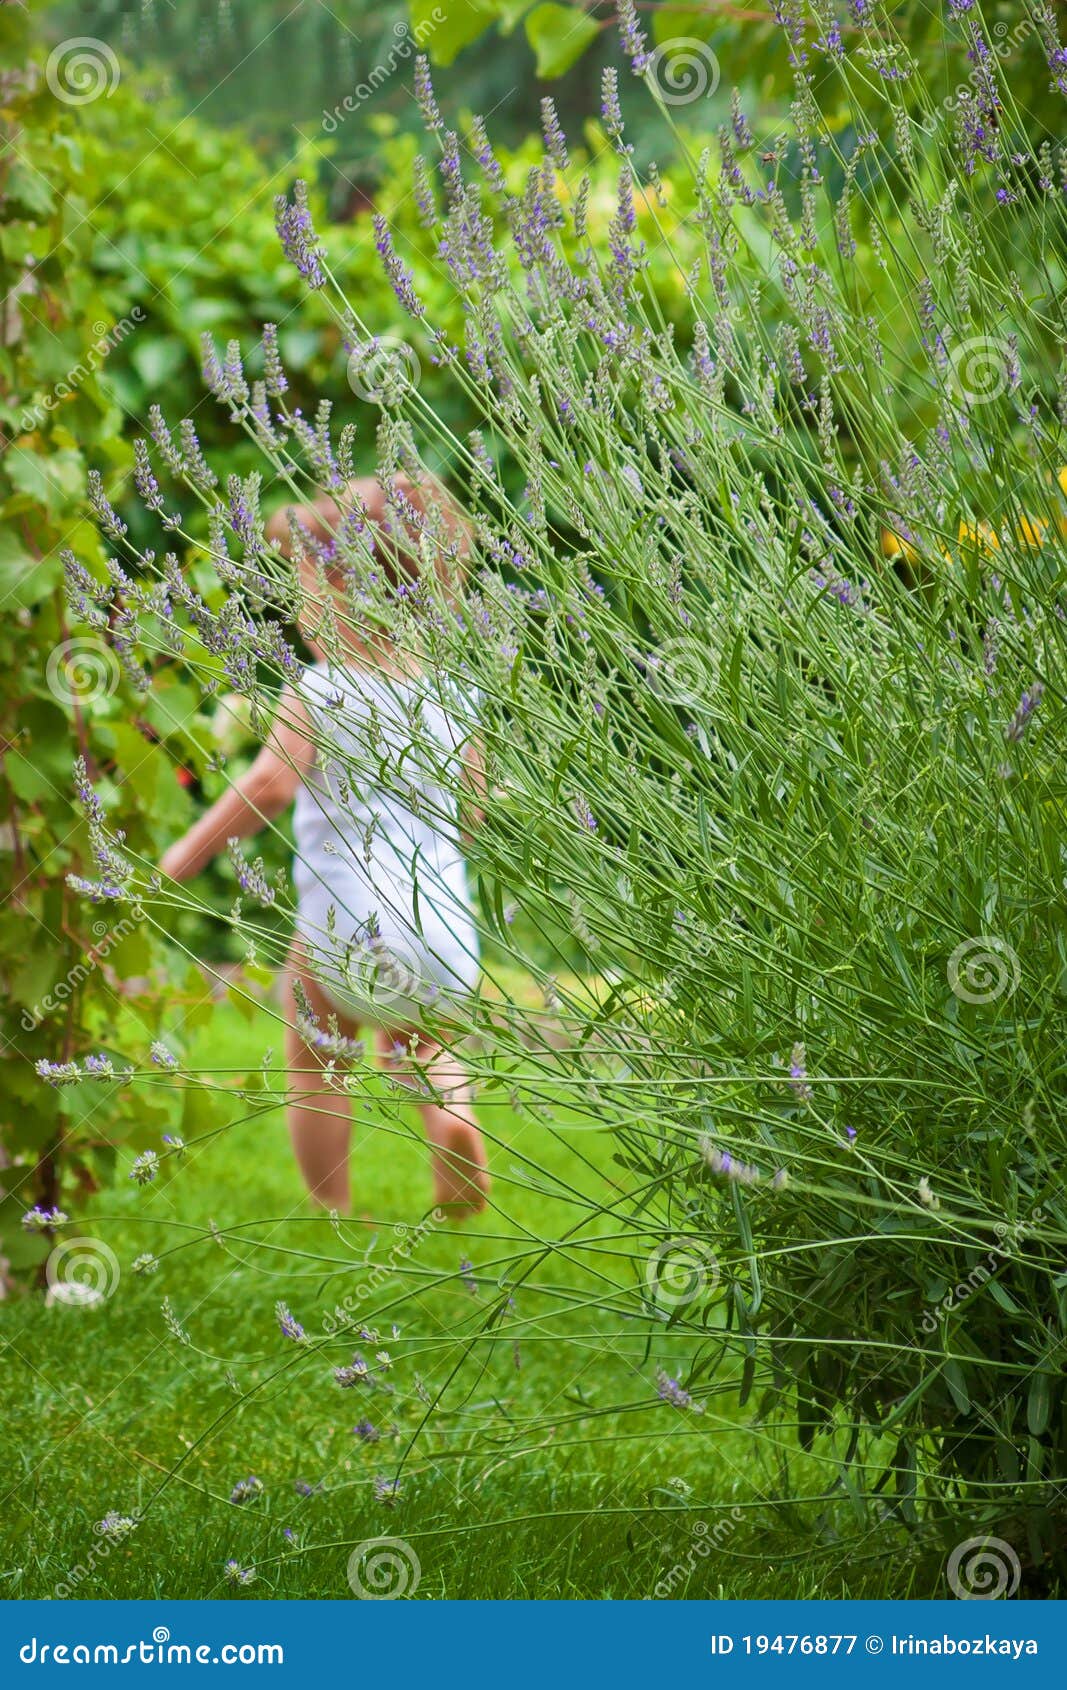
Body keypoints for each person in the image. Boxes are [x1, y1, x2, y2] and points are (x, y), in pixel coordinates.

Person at [159, 474, 490, 1216]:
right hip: (443, 921)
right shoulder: (451, 694)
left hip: (344, 921)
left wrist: (185, 855)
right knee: (426, 1048)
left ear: (338, 588)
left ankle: (332, 1208)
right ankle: (455, 1129)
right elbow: (470, 813)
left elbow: (271, 786)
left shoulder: (319, 689)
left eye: (304, 585)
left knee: (316, 1064)